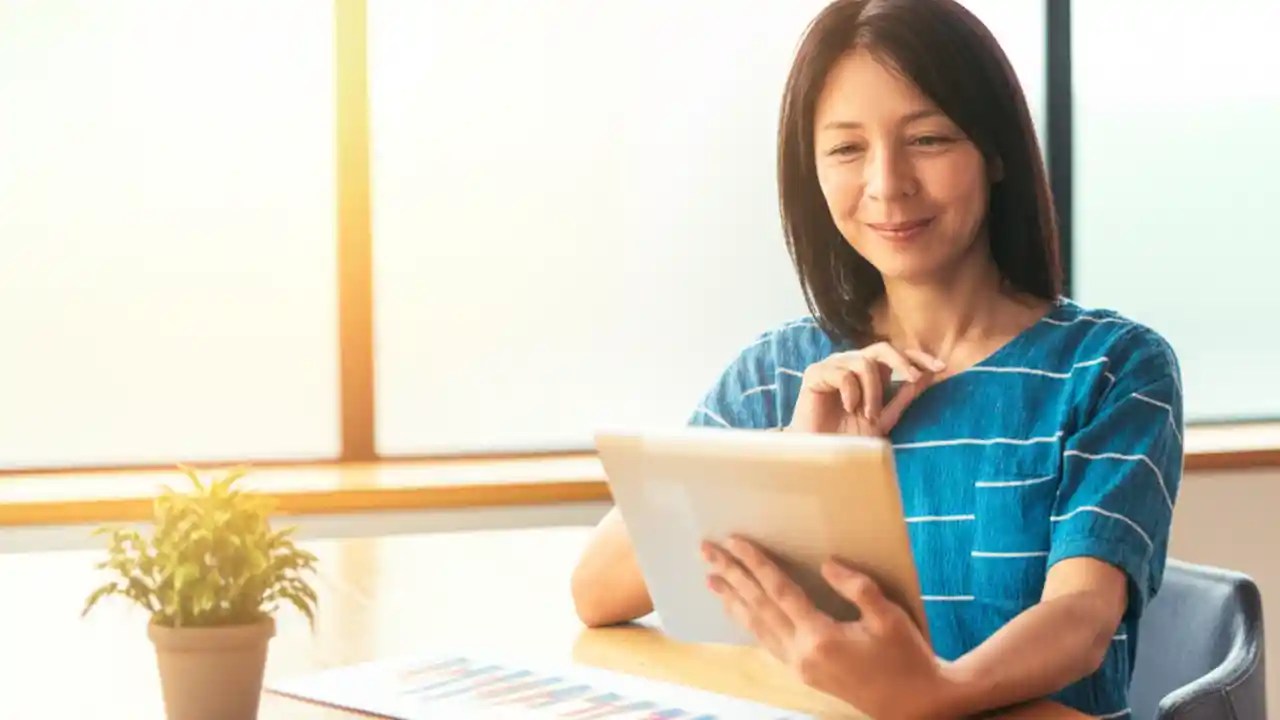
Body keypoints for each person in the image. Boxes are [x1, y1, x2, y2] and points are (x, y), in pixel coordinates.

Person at [570, 0, 1183, 718]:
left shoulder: (1111, 368)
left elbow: (1082, 621)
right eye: (847, 148)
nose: (888, 184)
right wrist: (793, 455)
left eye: (927, 139)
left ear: (994, 151)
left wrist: (933, 695)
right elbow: (598, 589)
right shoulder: (778, 376)